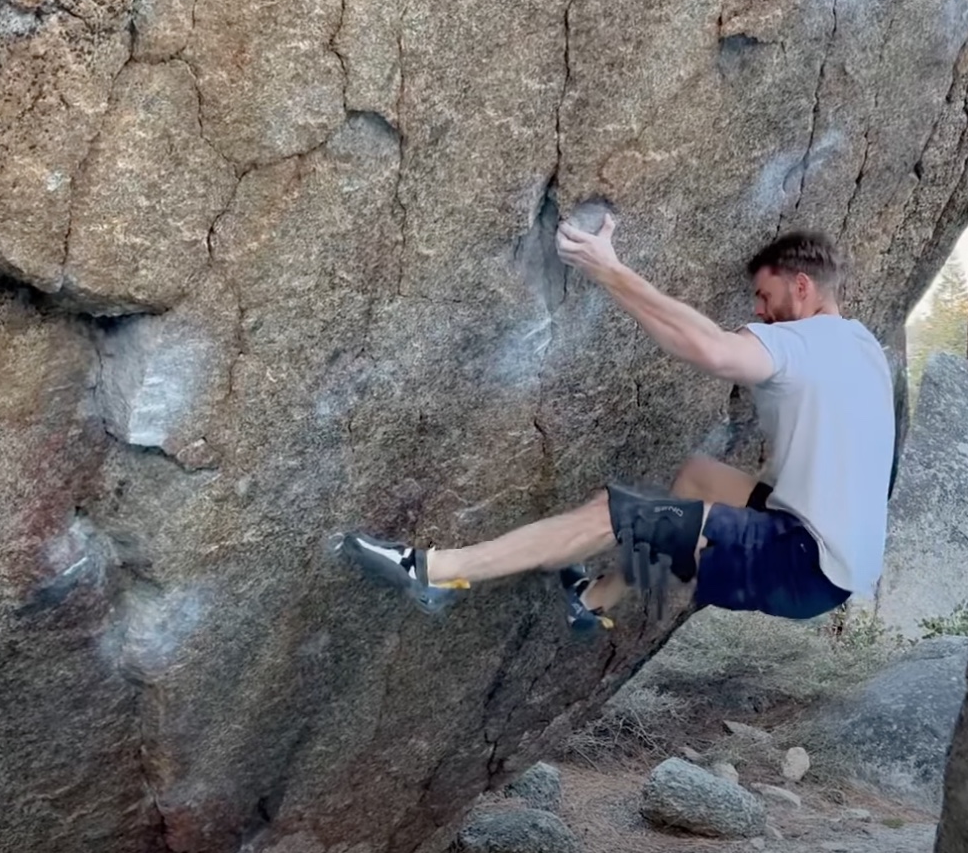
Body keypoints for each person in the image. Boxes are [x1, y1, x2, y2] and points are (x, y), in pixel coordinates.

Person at [333, 217, 895, 631]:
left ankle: (436, 571)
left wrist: (611, 270)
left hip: (801, 559)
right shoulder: (860, 345)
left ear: (802, 286)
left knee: (613, 512)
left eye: (766, 297)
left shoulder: (802, 344)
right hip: (831, 561)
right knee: (699, 476)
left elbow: (713, 351)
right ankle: (594, 599)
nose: (760, 313)